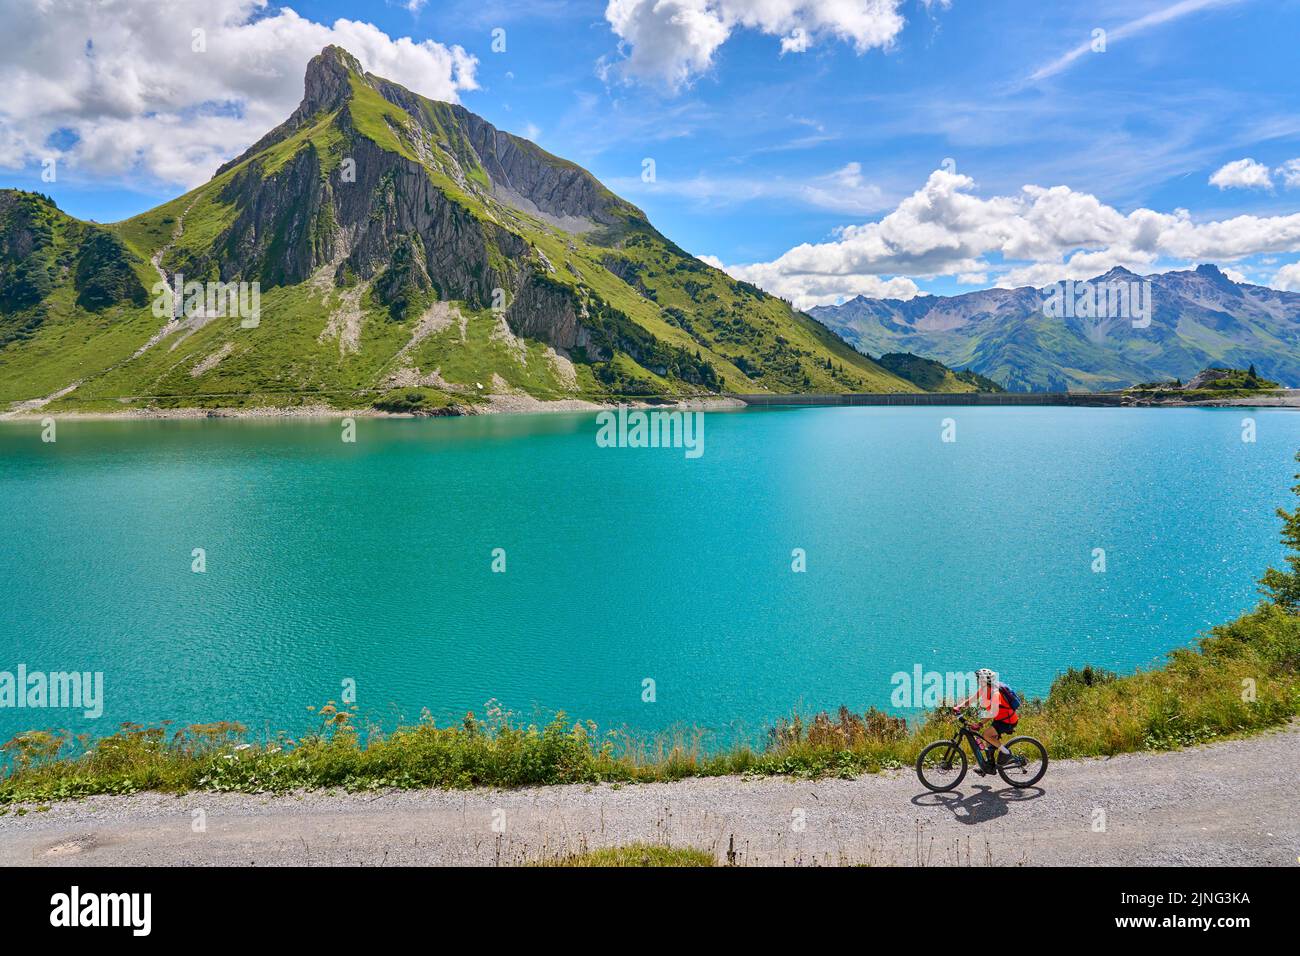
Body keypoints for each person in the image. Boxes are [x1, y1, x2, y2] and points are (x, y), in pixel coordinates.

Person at [953, 668, 1020, 772]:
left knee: (986, 735)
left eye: (979, 679)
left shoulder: (995, 693)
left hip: (1008, 721)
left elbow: (993, 712)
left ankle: (1007, 754)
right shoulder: (985, 689)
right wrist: (958, 707)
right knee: (989, 740)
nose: (977, 681)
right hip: (999, 719)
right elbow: (972, 699)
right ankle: (990, 766)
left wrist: (979, 724)